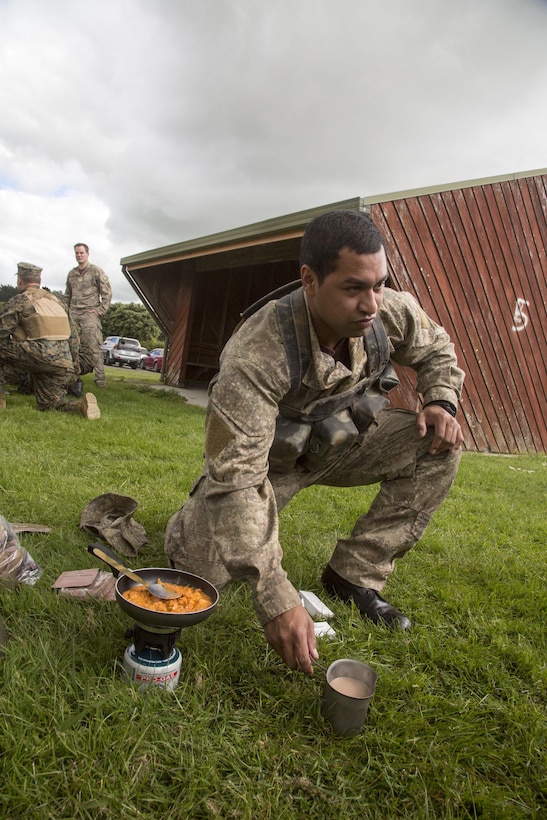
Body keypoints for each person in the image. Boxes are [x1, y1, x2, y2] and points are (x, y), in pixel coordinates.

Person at [165, 210, 465, 676]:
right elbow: (237, 477)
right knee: (197, 574)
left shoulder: (386, 312)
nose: (370, 303)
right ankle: (186, 526)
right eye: (353, 288)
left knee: (439, 446)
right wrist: (275, 596)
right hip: (270, 468)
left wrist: (441, 402)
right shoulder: (256, 353)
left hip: (347, 444)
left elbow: (436, 346)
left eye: (379, 284)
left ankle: (355, 574)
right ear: (309, 280)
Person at [0, 262, 100, 419]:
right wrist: (74, 367)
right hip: (63, 363)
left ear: (19, 280)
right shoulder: (57, 302)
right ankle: (80, 406)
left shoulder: (19, 300)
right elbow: (74, 339)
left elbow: (2, 332)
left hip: (37, 356)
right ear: (39, 281)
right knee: (49, 403)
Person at [64, 243, 112, 389]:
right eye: (77, 253)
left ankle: (100, 380)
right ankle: (71, 377)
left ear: (87, 254)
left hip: (89, 315)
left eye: (81, 253)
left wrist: (100, 311)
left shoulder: (96, 271)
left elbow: (107, 293)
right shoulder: (71, 274)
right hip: (73, 314)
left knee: (94, 347)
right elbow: (67, 295)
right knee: (71, 346)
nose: (79, 255)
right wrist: (65, 312)